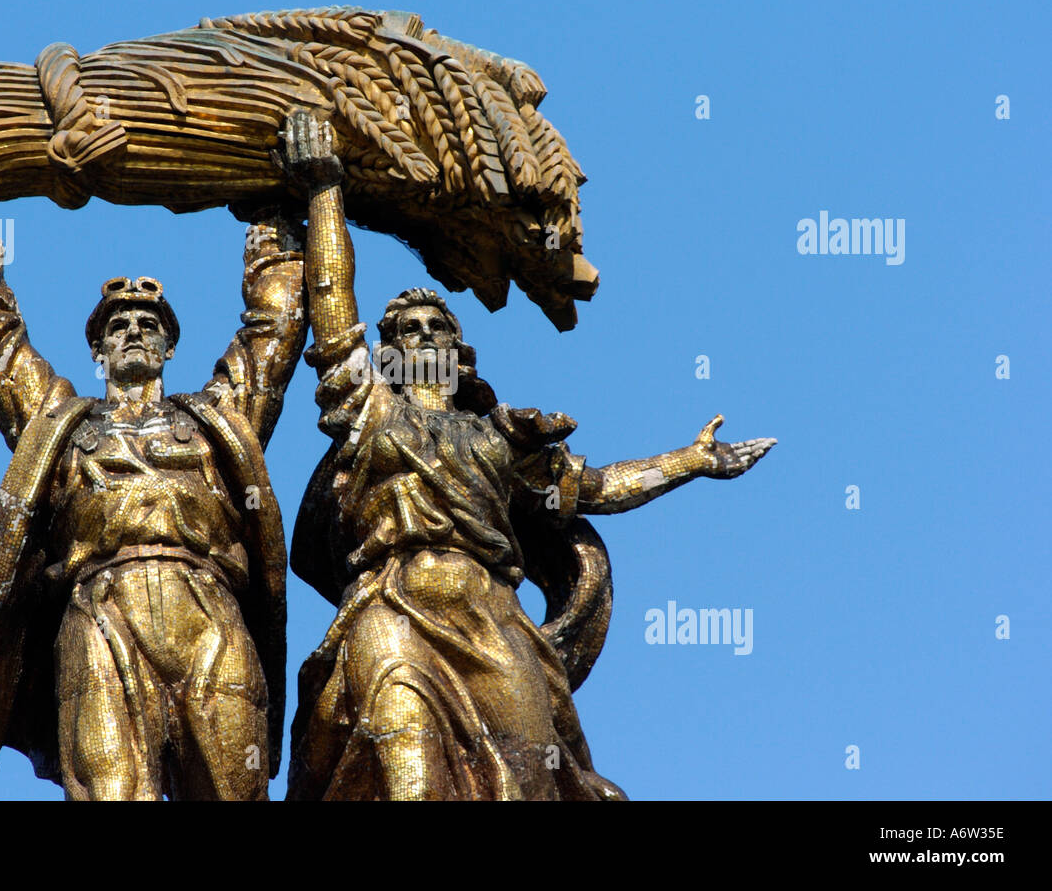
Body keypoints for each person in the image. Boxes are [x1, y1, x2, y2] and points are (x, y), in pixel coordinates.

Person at [276, 110, 776, 800]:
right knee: (409, 778)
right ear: (387, 352)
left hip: (492, 617)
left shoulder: (499, 440)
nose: (422, 336)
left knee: (531, 780)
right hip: (391, 609)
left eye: (437, 328)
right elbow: (333, 312)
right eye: (406, 330)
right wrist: (324, 189)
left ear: (458, 352)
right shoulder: (368, 416)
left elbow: (599, 487)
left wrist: (693, 460)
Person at [0, 206, 307, 800]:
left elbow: (272, 334)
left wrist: (281, 217)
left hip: (209, 615)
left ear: (169, 345)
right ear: (99, 348)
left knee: (232, 789)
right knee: (108, 791)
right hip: (100, 614)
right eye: (118, 326)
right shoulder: (63, 425)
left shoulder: (218, 420)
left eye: (148, 323)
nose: (134, 331)